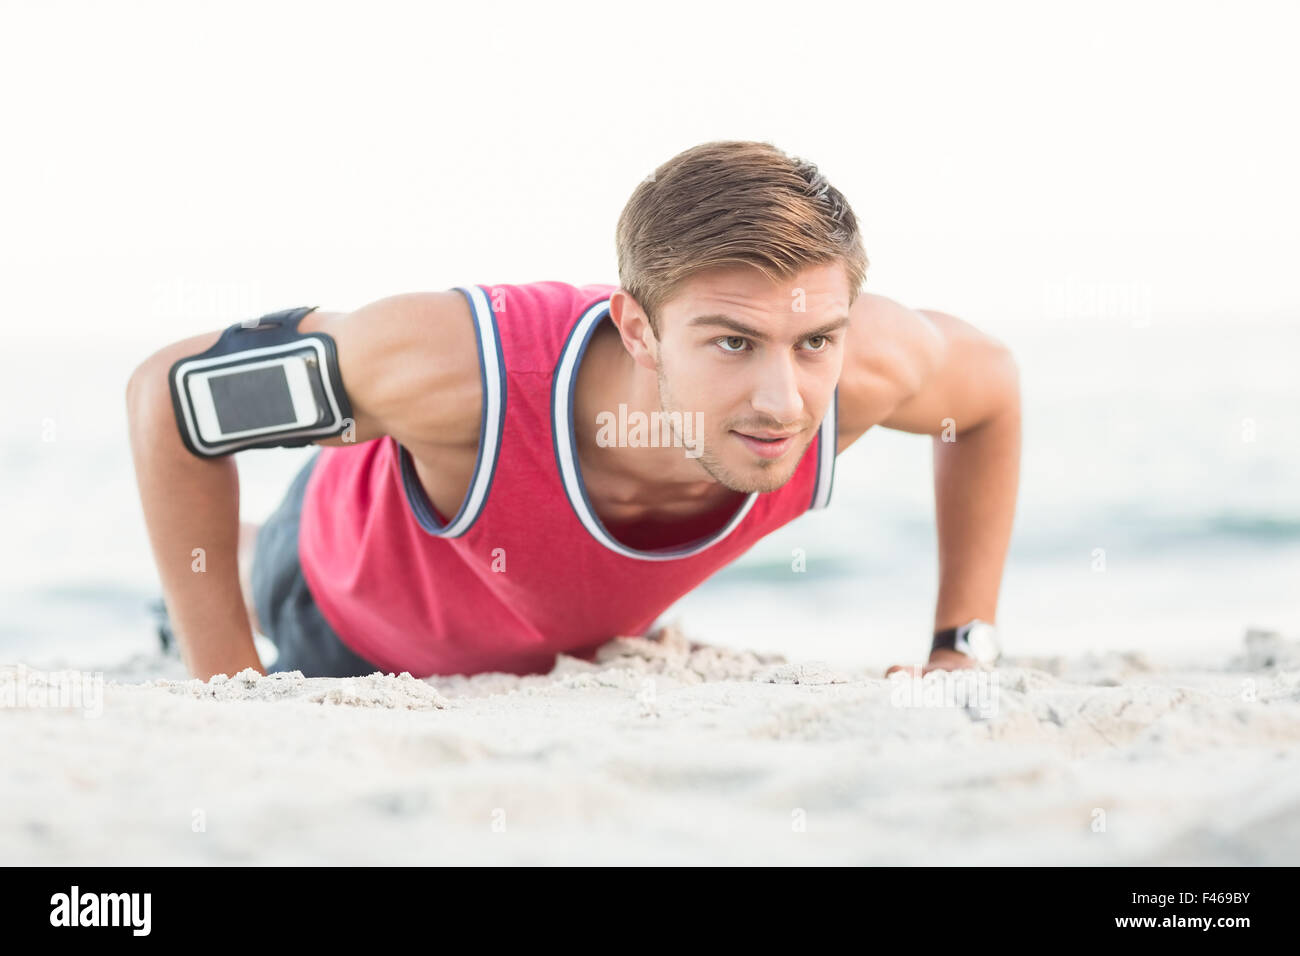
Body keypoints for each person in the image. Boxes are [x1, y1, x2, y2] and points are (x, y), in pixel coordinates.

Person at [126, 140, 1020, 682]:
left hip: (564, 631)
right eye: (731, 343)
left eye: (815, 341)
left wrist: (961, 646)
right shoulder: (458, 366)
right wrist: (227, 683)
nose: (784, 401)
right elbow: (167, 399)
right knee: (241, 571)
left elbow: (989, 399)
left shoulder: (869, 363)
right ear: (637, 328)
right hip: (336, 601)